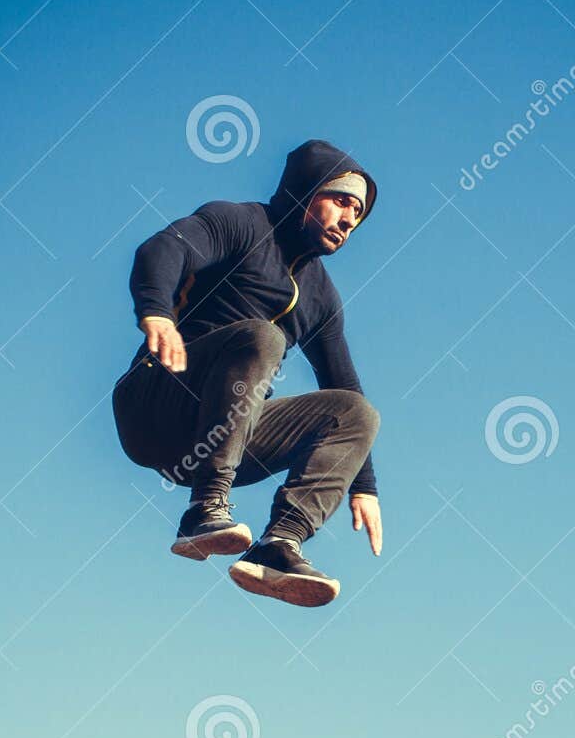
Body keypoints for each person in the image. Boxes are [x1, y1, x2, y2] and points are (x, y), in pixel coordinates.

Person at [113, 140, 382, 609]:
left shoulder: (321, 295)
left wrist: (364, 486)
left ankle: (278, 548)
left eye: (357, 213)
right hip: (153, 406)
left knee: (357, 412)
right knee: (265, 339)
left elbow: (343, 383)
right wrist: (157, 312)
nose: (348, 220)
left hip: (220, 437)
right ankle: (204, 509)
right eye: (340, 200)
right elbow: (164, 248)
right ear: (306, 190)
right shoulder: (240, 223)